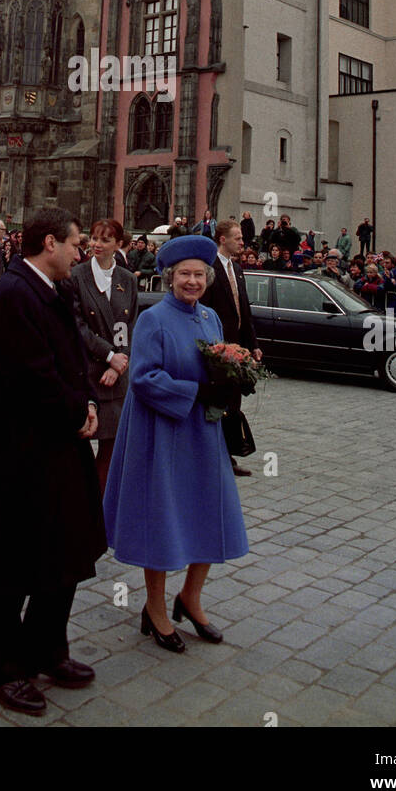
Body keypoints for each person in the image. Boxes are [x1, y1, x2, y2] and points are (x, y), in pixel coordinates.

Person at [0, 207, 106, 716]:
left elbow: (74, 357)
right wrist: (76, 411)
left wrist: (89, 400)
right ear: (50, 243)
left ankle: (48, 648)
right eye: (75, 244)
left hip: (59, 444)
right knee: (12, 562)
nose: (80, 253)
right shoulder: (11, 295)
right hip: (17, 454)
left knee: (65, 550)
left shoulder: (53, 290)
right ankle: (2, 670)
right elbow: (32, 376)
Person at [103, 235, 248, 654]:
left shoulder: (211, 318)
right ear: (169, 278)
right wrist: (197, 392)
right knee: (162, 521)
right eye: (184, 274)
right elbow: (144, 379)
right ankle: (155, 608)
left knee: (209, 511)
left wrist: (232, 384)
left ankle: (191, 598)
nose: (192, 281)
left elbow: (221, 365)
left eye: (199, 275)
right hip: (161, 433)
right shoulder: (153, 319)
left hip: (202, 432)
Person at [69, 218, 137, 495]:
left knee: (110, 448)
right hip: (87, 371)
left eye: (105, 239)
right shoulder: (76, 276)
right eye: (94, 238)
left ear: (118, 245)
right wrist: (109, 356)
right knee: (79, 444)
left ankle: (100, 507)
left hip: (116, 377)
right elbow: (77, 326)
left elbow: (128, 324)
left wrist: (120, 362)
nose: (97, 244)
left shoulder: (128, 279)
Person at [199, 219, 258, 479]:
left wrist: (252, 346)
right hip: (218, 349)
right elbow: (204, 310)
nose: (242, 242)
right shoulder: (209, 268)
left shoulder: (237, 268)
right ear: (222, 239)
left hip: (237, 348)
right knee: (216, 404)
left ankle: (228, 456)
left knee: (233, 403)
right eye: (238, 238)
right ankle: (211, 457)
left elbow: (243, 310)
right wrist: (213, 348)